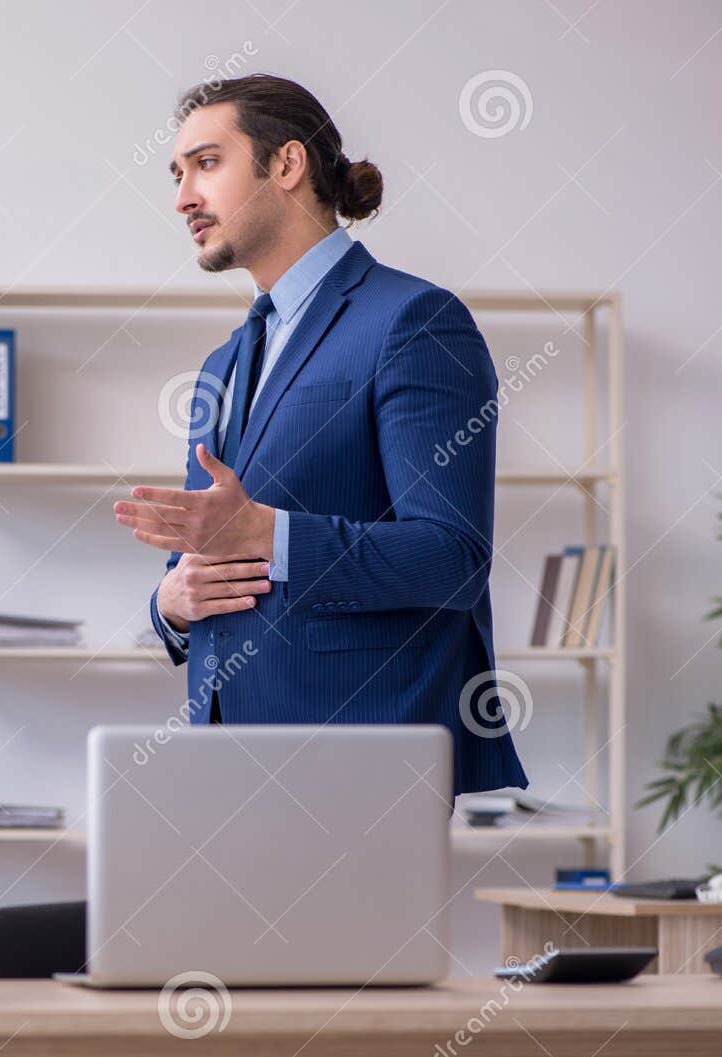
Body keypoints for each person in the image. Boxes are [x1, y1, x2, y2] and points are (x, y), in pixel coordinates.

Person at [114, 75, 527, 797]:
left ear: (287, 165)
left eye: (206, 164)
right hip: (220, 760)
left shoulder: (415, 322)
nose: (182, 197)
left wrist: (270, 537)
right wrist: (170, 605)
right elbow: (206, 557)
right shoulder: (222, 365)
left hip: (362, 762)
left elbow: (453, 559)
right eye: (176, 174)